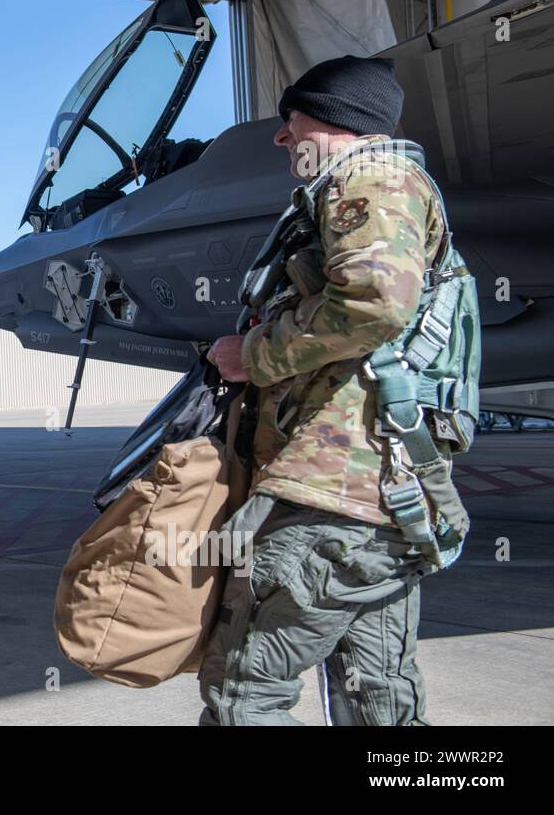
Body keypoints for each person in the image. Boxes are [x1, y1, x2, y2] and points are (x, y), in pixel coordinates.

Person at [200, 55, 472, 725]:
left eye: (292, 119)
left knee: (245, 699)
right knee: (377, 696)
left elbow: (378, 301)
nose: (282, 137)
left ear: (333, 120)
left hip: (329, 497)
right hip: (377, 502)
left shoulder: (368, 176)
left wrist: (253, 354)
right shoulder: (384, 184)